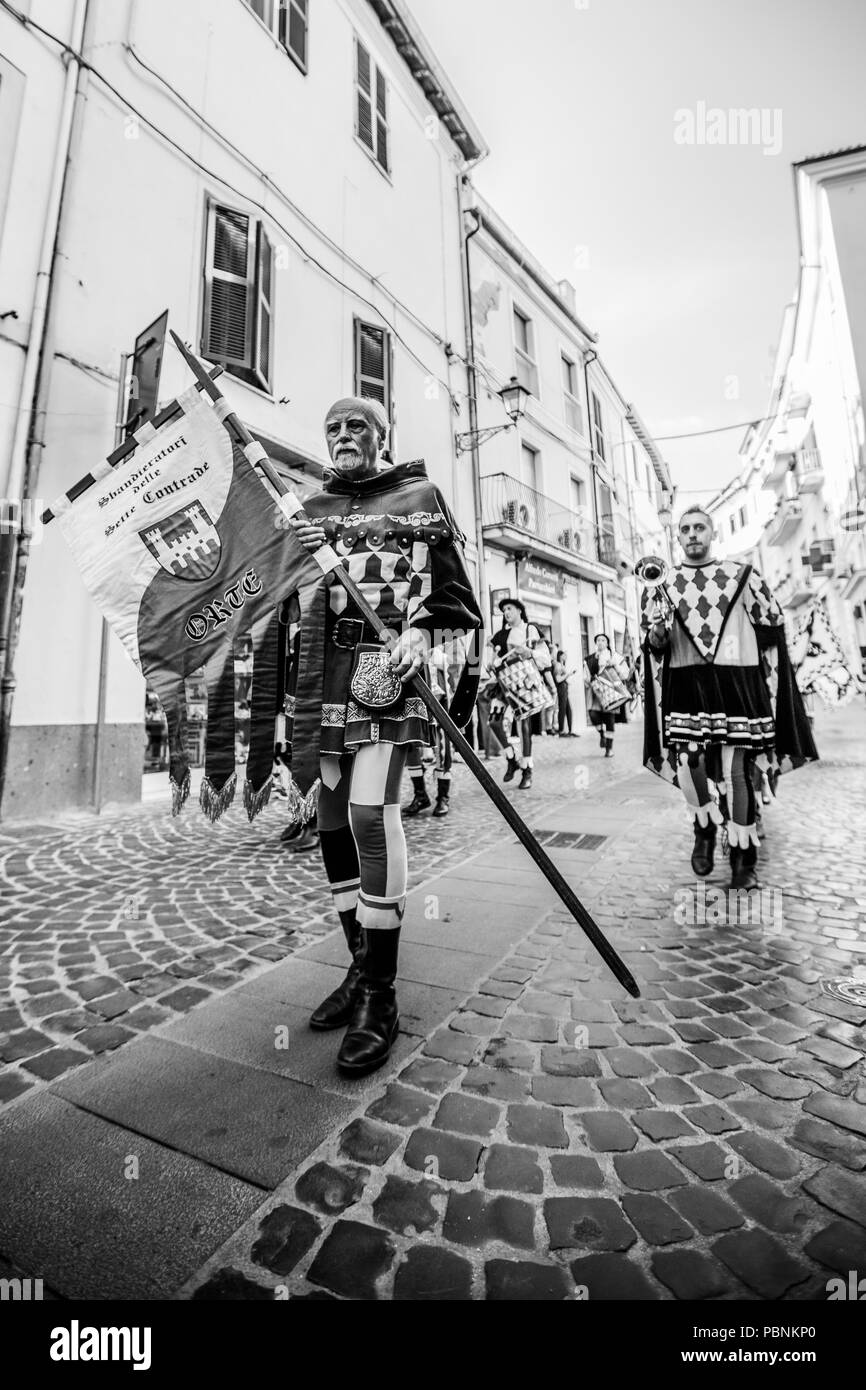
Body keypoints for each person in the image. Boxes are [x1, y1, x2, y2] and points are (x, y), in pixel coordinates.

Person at [288, 397, 482, 1076]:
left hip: (385, 668)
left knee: (372, 812)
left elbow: (450, 589)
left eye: (357, 427)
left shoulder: (417, 495)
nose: (344, 436)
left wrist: (421, 635)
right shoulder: (312, 510)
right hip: (324, 673)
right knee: (335, 818)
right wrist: (297, 556)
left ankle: (380, 994)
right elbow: (285, 595)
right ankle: (359, 963)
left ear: (381, 435)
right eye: (334, 426)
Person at [641, 506, 817, 891]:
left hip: (736, 682)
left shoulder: (743, 575)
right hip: (686, 684)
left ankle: (743, 858)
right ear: (678, 536)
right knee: (689, 760)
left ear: (712, 532)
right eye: (685, 528)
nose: (691, 534)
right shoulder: (662, 584)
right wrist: (657, 631)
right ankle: (703, 828)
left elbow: (771, 628)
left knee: (737, 770)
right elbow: (655, 648)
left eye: (699, 527)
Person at [488, 597, 551, 790]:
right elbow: (493, 660)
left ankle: (527, 769)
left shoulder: (530, 630)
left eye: (509, 608)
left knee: (524, 726)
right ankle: (511, 758)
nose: (506, 612)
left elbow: (546, 659)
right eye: (504, 609)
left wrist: (529, 653)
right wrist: (491, 665)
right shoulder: (500, 635)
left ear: (519, 610)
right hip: (504, 685)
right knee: (494, 721)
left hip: (525, 684)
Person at [403, 647, 454, 818]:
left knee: (442, 750)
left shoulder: (439, 658)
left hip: (439, 710)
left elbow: (441, 691)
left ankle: (443, 797)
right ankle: (420, 795)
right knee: (410, 747)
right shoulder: (409, 651)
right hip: (414, 705)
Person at [584, 634, 629, 757]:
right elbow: (586, 678)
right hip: (596, 693)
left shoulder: (615, 656)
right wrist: (588, 681)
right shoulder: (589, 659)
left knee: (610, 719)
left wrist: (614, 665)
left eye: (603, 640)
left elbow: (625, 674)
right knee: (593, 715)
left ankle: (609, 748)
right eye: (598, 640)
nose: (600, 642)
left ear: (607, 643)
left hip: (612, 692)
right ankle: (602, 734)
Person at [553, 647, 576, 737]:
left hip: (564, 688)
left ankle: (569, 730)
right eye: (564, 655)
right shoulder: (558, 665)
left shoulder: (561, 665)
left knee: (568, 710)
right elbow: (558, 680)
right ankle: (561, 730)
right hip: (561, 689)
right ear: (561, 656)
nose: (566, 657)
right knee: (562, 709)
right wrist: (568, 674)